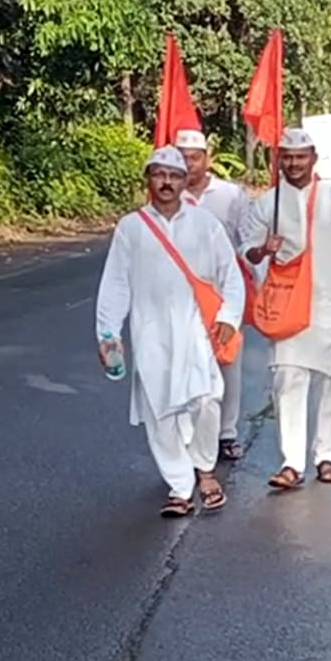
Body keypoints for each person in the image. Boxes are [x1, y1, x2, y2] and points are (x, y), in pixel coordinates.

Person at [96, 146, 245, 518]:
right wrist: (108, 334)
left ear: (184, 181)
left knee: (208, 400)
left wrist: (228, 317)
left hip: (197, 331)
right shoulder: (131, 227)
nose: (166, 182)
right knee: (160, 410)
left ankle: (206, 469)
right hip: (151, 335)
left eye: (174, 175)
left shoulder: (205, 224)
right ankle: (180, 485)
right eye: (159, 174)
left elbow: (231, 275)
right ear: (148, 178)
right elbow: (115, 284)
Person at [240, 128, 331, 489]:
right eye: (288, 156)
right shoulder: (268, 203)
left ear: (314, 159)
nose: (294, 163)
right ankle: (292, 463)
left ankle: (326, 456)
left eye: (301, 156)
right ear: (279, 160)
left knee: (330, 382)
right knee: (288, 379)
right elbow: (248, 252)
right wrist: (265, 249)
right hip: (287, 305)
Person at [175, 128, 253, 461]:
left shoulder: (231, 195)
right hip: (181, 295)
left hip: (224, 292)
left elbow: (246, 240)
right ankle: (189, 433)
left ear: (207, 159)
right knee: (185, 363)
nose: (189, 164)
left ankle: (227, 433)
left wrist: (260, 265)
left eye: (195, 157)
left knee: (228, 362)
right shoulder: (167, 197)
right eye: (182, 158)